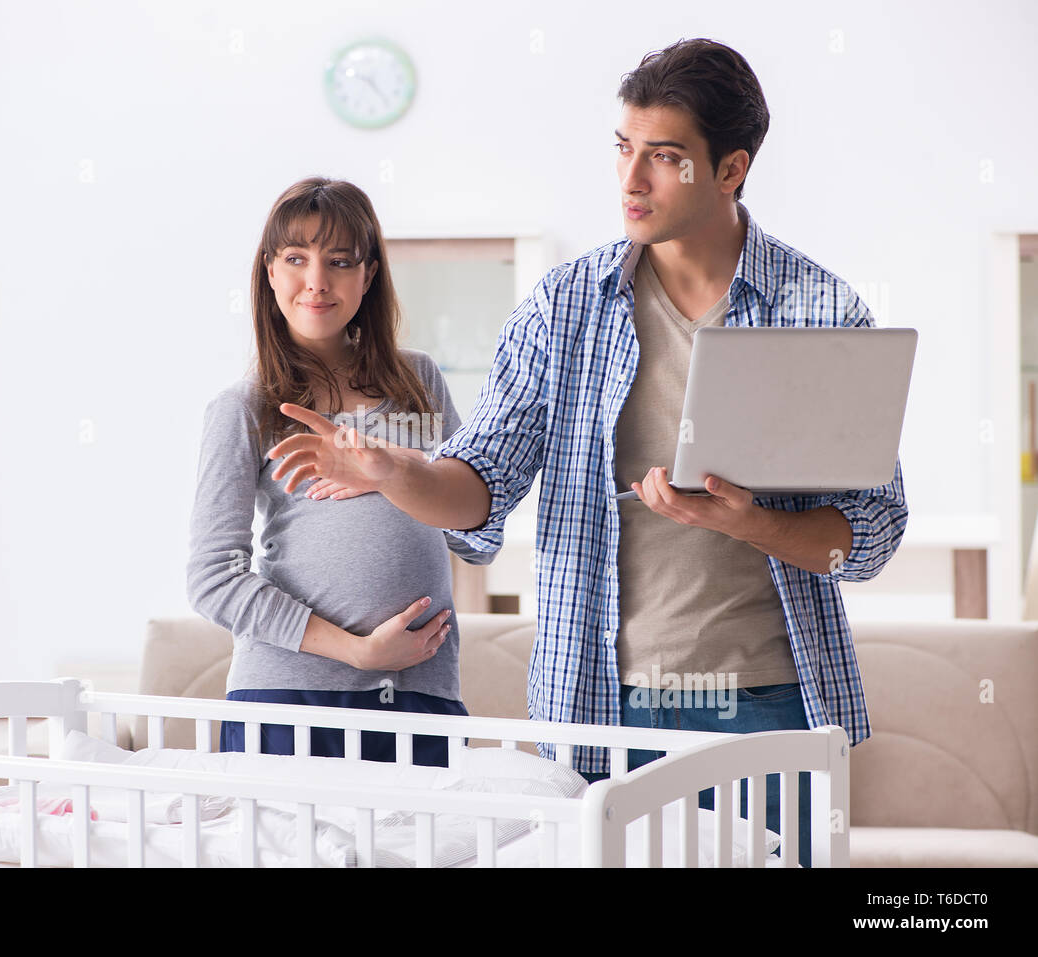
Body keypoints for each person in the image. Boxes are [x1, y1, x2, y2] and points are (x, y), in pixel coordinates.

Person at [267, 39, 908, 865]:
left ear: (730, 169)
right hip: (601, 706)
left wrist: (754, 524)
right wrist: (397, 471)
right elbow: (479, 486)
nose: (631, 179)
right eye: (624, 149)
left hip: (769, 706)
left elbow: (870, 534)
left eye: (665, 157)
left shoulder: (819, 308)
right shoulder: (565, 306)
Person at [187, 176, 483, 767]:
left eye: (340, 261)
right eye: (296, 259)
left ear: (368, 276)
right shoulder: (243, 408)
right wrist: (355, 652)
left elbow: (476, 535)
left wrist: (391, 473)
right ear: (269, 271)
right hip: (290, 699)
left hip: (422, 694)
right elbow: (211, 579)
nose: (317, 282)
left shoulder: (418, 384)